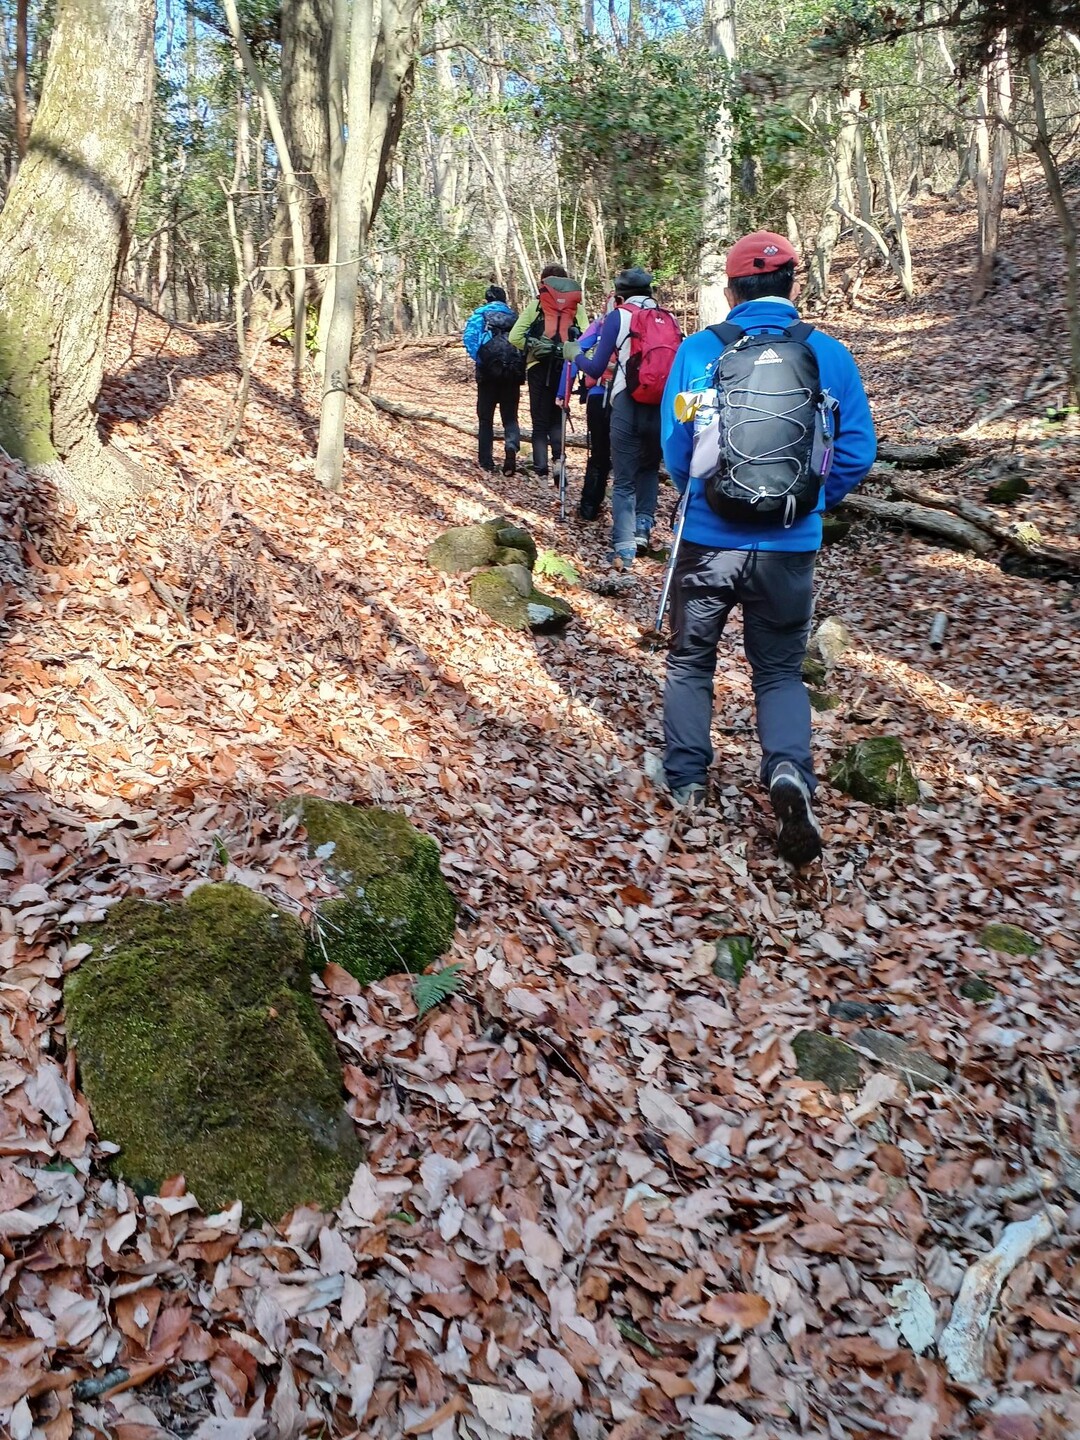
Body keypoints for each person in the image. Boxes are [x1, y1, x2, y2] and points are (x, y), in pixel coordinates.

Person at [659, 230, 876, 866]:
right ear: (793, 286)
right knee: (779, 670)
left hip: (706, 540)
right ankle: (787, 773)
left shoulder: (700, 351)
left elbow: (677, 450)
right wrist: (807, 502)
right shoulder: (828, 355)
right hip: (790, 545)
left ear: (731, 291)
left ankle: (688, 780)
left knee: (691, 661)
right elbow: (858, 449)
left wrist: (709, 497)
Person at [568, 267, 680, 569]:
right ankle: (643, 529)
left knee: (624, 479)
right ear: (651, 293)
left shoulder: (619, 316)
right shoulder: (669, 318)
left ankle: (624, 549)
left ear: (619, 295)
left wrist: (573, 354)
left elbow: (595, 368)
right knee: (648, 470)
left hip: (626, 402)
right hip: (660, 405)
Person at [509, 264, 587, 480]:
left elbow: (514, 337)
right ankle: (558, 459)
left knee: (539, 418)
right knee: (558, 414)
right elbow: (586, 339)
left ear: (544, 283)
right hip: (565, 367)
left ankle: (540, 466)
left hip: (537, 366)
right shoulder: (575, 306)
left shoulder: (537, 304)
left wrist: (534, 346)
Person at [462, 285, 524, 474]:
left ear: (487, 299)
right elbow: (524, 342)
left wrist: (482, 359)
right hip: (511, 374)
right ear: (504, 300)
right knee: (510, 417)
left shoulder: (479, 316)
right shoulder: (515, 318)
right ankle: (511, 450)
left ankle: (486, 461)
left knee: (485, 417)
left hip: (487, 375)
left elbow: (469, 339)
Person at [572, 302, 615, 520]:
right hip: (637, 398)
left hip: (601, 394)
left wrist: (564, 393)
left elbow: (575, 351)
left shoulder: (603, 324)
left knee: (599, 454)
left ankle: (589, 507)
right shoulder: (652, 322)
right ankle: (635, 522)